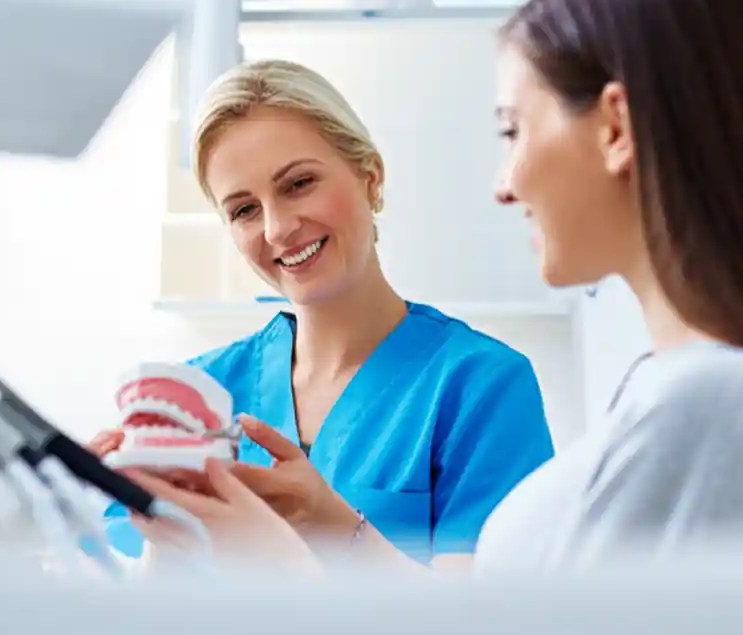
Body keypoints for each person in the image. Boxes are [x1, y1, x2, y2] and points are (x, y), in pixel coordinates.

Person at [122, 0, 743, 573]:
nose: (504, 182)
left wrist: (288, 557)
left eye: (513, 129)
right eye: (242, 209)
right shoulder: (674, 397)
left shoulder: (709, 399)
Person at [93, 58, 555, 565]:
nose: (277, 228)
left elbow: (486, 631)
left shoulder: (481, 387)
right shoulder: (196, 399)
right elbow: (129, 607)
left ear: (370, 178)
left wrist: (338, 528)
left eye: (298, 184)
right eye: (244, 210)